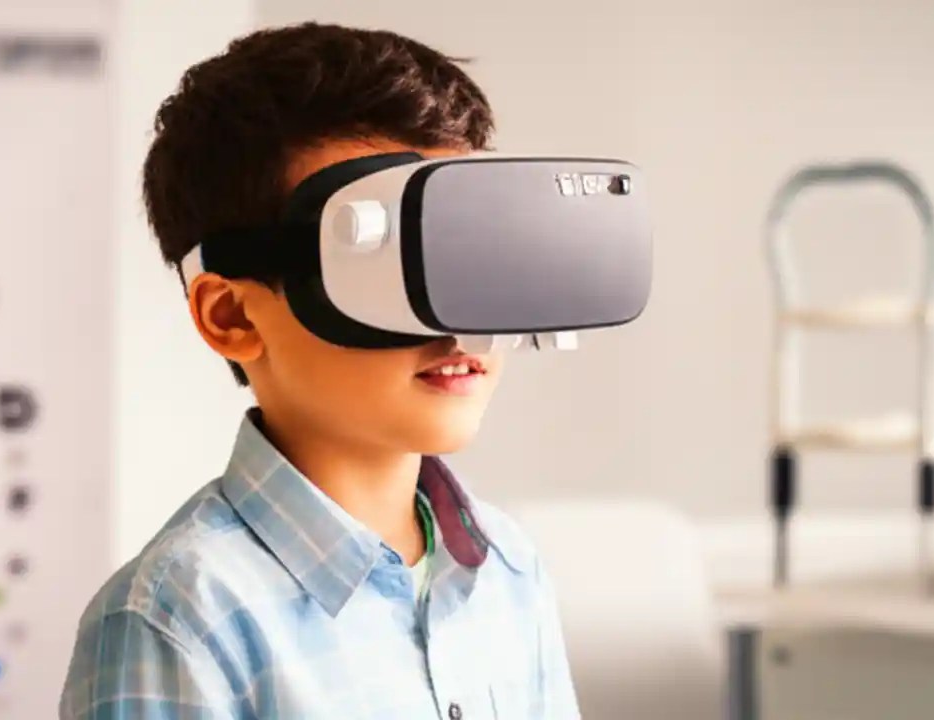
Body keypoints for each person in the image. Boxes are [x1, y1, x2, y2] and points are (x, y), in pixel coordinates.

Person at [59, 22, 580, 719]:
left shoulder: (507, 567)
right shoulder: (177, 619)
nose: (456, 325)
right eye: (390, 268)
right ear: (232, 318)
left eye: (470, 258)